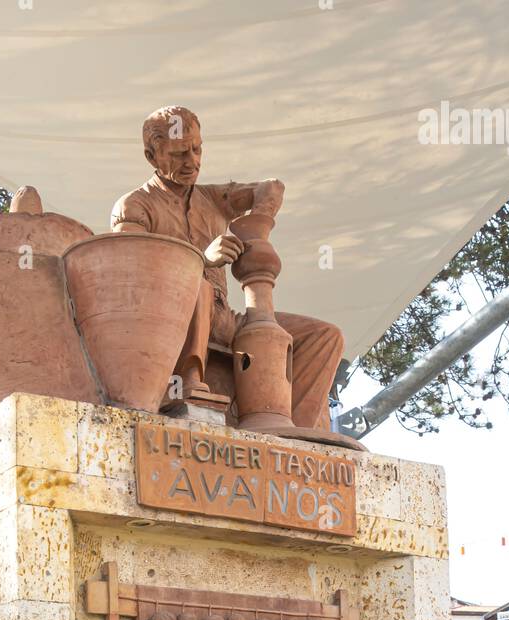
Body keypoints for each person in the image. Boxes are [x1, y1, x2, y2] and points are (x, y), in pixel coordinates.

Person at [111, 106, 344, 430]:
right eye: (179, 154)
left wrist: (258, 226)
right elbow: (133, 277)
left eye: (197, 148)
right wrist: (201, 259)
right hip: (173, 320)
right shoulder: (135, 205)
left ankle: (298, 434)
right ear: (152, 156)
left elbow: (271, 187)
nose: (192, 162)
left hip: (224, 319)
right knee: (198, 287)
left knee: (323, 336)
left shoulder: (214, 199)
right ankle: (188, 390)